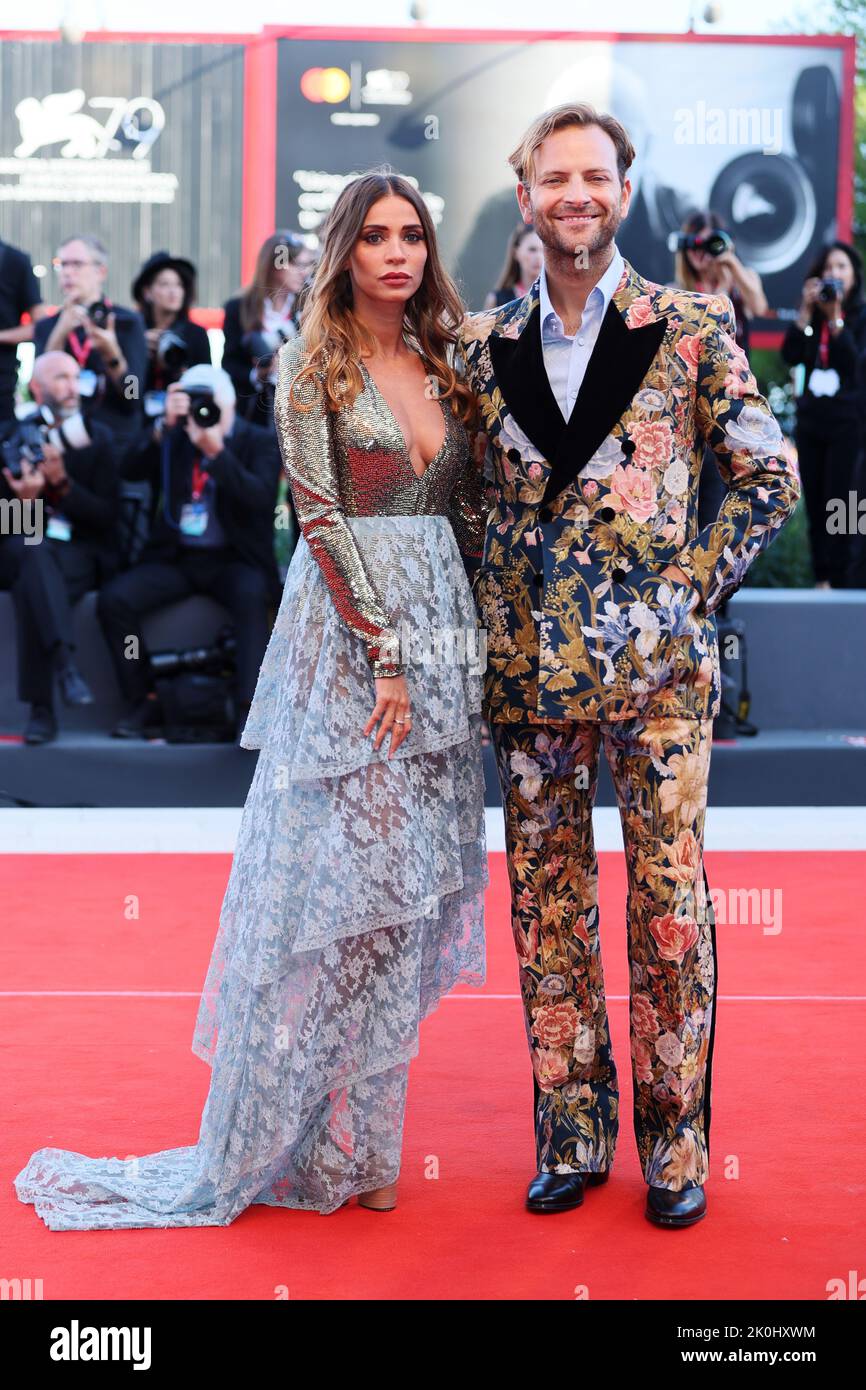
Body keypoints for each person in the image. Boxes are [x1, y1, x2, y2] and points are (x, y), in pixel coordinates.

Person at [13, 168, 489, 1228]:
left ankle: (367, 1146)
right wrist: (390, 656)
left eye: (412, 234)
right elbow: (319, 522)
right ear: (343, 252)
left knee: (399, 906)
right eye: (375, 236)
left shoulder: (447, 362)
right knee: (334, 902)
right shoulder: (310, 363)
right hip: (351, 648)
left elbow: (463, 519)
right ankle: (296, 1137)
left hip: (443, 639)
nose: (397, 253)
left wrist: (453, 654)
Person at [457, 102, 800, 1228]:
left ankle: (676, 1147)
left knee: (666, 909)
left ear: (622, 186)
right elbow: (461, 506)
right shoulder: (480, 345)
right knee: (545, 910)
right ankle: (569, 1131)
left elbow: (765, 478)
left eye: (593, 175)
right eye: (552, 177)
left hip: (656, 684)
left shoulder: (692, 325)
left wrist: (682, 595)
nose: (574, 194)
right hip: (529, 685)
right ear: (525, 197)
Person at [96, 365, 282, 742]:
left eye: (210, 403)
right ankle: (143, 696)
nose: (203, 412)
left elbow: (260, 498)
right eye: (196, 403)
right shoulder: (176, 436)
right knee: (114, 601)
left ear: (229, 404)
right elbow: (129, 469)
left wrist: (216, 452)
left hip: (235, 558)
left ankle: (249, 709)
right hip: (178, 557)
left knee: (251, 596)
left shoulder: (257, 441)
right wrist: (162, 426)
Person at [3, 352, 120, 744]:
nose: (72, 387)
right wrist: (26, 505)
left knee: (31, 580)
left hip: (80, 552)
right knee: (31, 551)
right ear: (37, 388)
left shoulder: (98, 437)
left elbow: (107, 518)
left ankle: (42, 709)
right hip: (25, 546)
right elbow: (11, 530)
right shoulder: (13, 435)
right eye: (60, 379)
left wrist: (65, 486)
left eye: (75, 377)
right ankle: (65, 668)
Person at [672, 210, 769, 537]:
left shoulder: (742, 282)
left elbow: (758, 306)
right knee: (703, 482)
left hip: (734, 398)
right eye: (693, 246)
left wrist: (729, 263)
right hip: (694, 400)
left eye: (708, 244)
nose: (701, 253)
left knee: (739, 478)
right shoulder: (677, 290)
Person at [780, 241, 866, 589]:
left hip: (848, 423)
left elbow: (854, 364)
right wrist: (805, 313)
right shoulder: (811, 318)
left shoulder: (859, 317)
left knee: (843, 502)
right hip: (813, 420)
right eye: (828, 268)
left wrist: (837, 319)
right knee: (815, 500)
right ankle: (822, 578)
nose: (834, 274)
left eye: (842, 267)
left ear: (854, 276)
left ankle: (848, 577)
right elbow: (790, 354)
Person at [34, 235, 148, 446]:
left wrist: (113, 356)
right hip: (65, 443)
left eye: (77, 264)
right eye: (62, 264)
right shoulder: (47, 327)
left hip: (116, 443)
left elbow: (134, 397)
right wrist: (60, 333)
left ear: (100, 271)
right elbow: (39, 391)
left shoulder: (127, 322)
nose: (68, 272)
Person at [221, 231, 316, 422]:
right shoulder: (238, 308)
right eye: (296, 264)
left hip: (303, 412)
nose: (304, 272)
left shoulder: (311, 307)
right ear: (274, 265)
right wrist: (258, 374)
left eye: (306, 265)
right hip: (255, 414)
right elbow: (229, 365)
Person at [131, 250, 212, 404]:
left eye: (179, 285)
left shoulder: (196, 335)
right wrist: (139, 351)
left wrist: (182, 372)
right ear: (147, 292)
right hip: (139, 413)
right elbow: (128, 391)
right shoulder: (134, 331)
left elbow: (206, 386)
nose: (173, 291)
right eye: (164, 284)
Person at [484, 224, 544, 309]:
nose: (539, 257)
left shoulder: (558, 298)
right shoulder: (497, 300)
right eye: (532, 249)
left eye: (544, 250)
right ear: (516, 253)